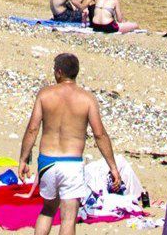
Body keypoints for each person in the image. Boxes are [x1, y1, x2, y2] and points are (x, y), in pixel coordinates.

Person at [19, 53, 119, 235]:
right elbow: (99, 134)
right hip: (71, 163)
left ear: (59, 72)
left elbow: (32, 129)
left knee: (48, 210)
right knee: (68, 218)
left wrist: (23, 159)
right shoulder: (87, 99)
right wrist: (112, 166)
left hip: (47, 162)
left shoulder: (45, 94)